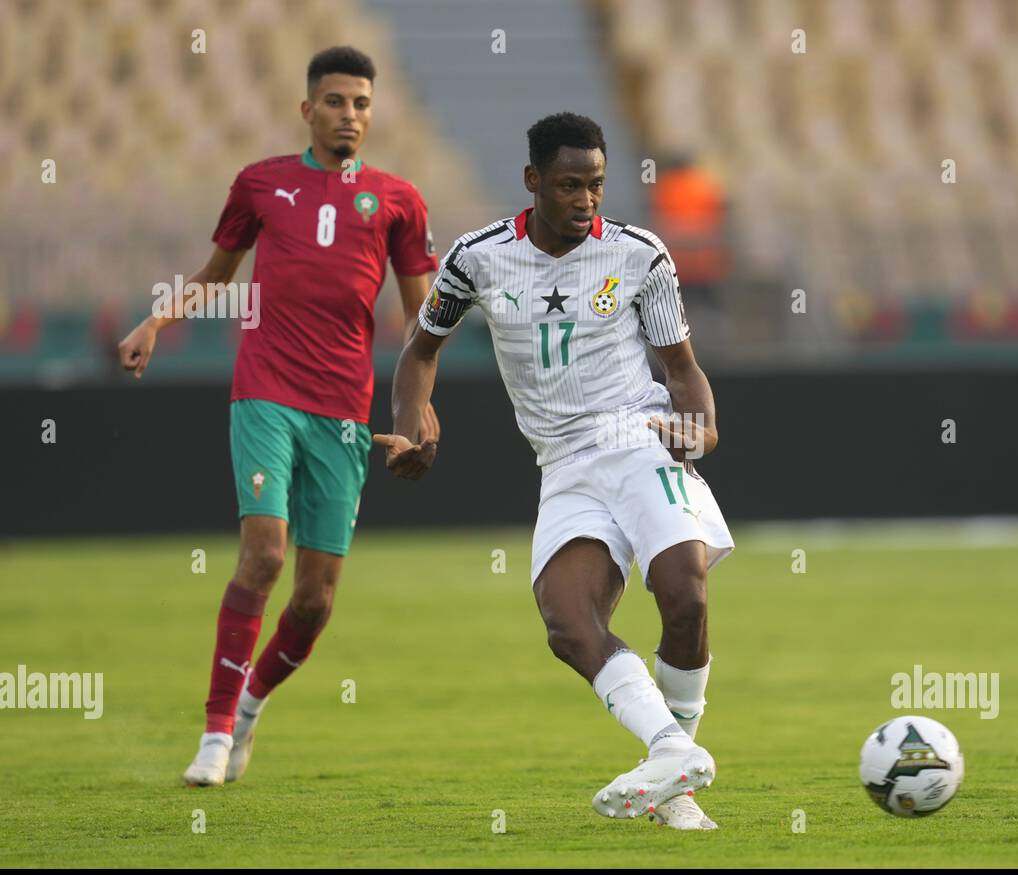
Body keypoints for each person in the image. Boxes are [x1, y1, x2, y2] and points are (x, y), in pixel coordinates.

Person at [377, 113, 734, 829]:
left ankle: (676, 768)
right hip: (563, 462)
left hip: (637, 436)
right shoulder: (477, 258)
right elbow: (420, 351)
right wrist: (416, 419)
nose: (585, 200)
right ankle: (672, 753)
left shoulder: (640, 254)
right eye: (570, 185)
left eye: (597, 185)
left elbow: (683, 372)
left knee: (686, 597)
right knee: (568, 624)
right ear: (533, 182)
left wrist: (701, 428)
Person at [116, 46, 440, 786]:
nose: (349, 115)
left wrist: (419, 406)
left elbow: (424, 317)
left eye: (361, 103)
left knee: (315, 598)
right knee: (263, 553)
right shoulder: (261, 184)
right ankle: (214, 730)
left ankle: (253, 706)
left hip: (342, 411)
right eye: (335, 101)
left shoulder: (397, 200)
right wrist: (154, 324)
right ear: (307, 110)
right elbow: (215, 277)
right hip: (264, 391)